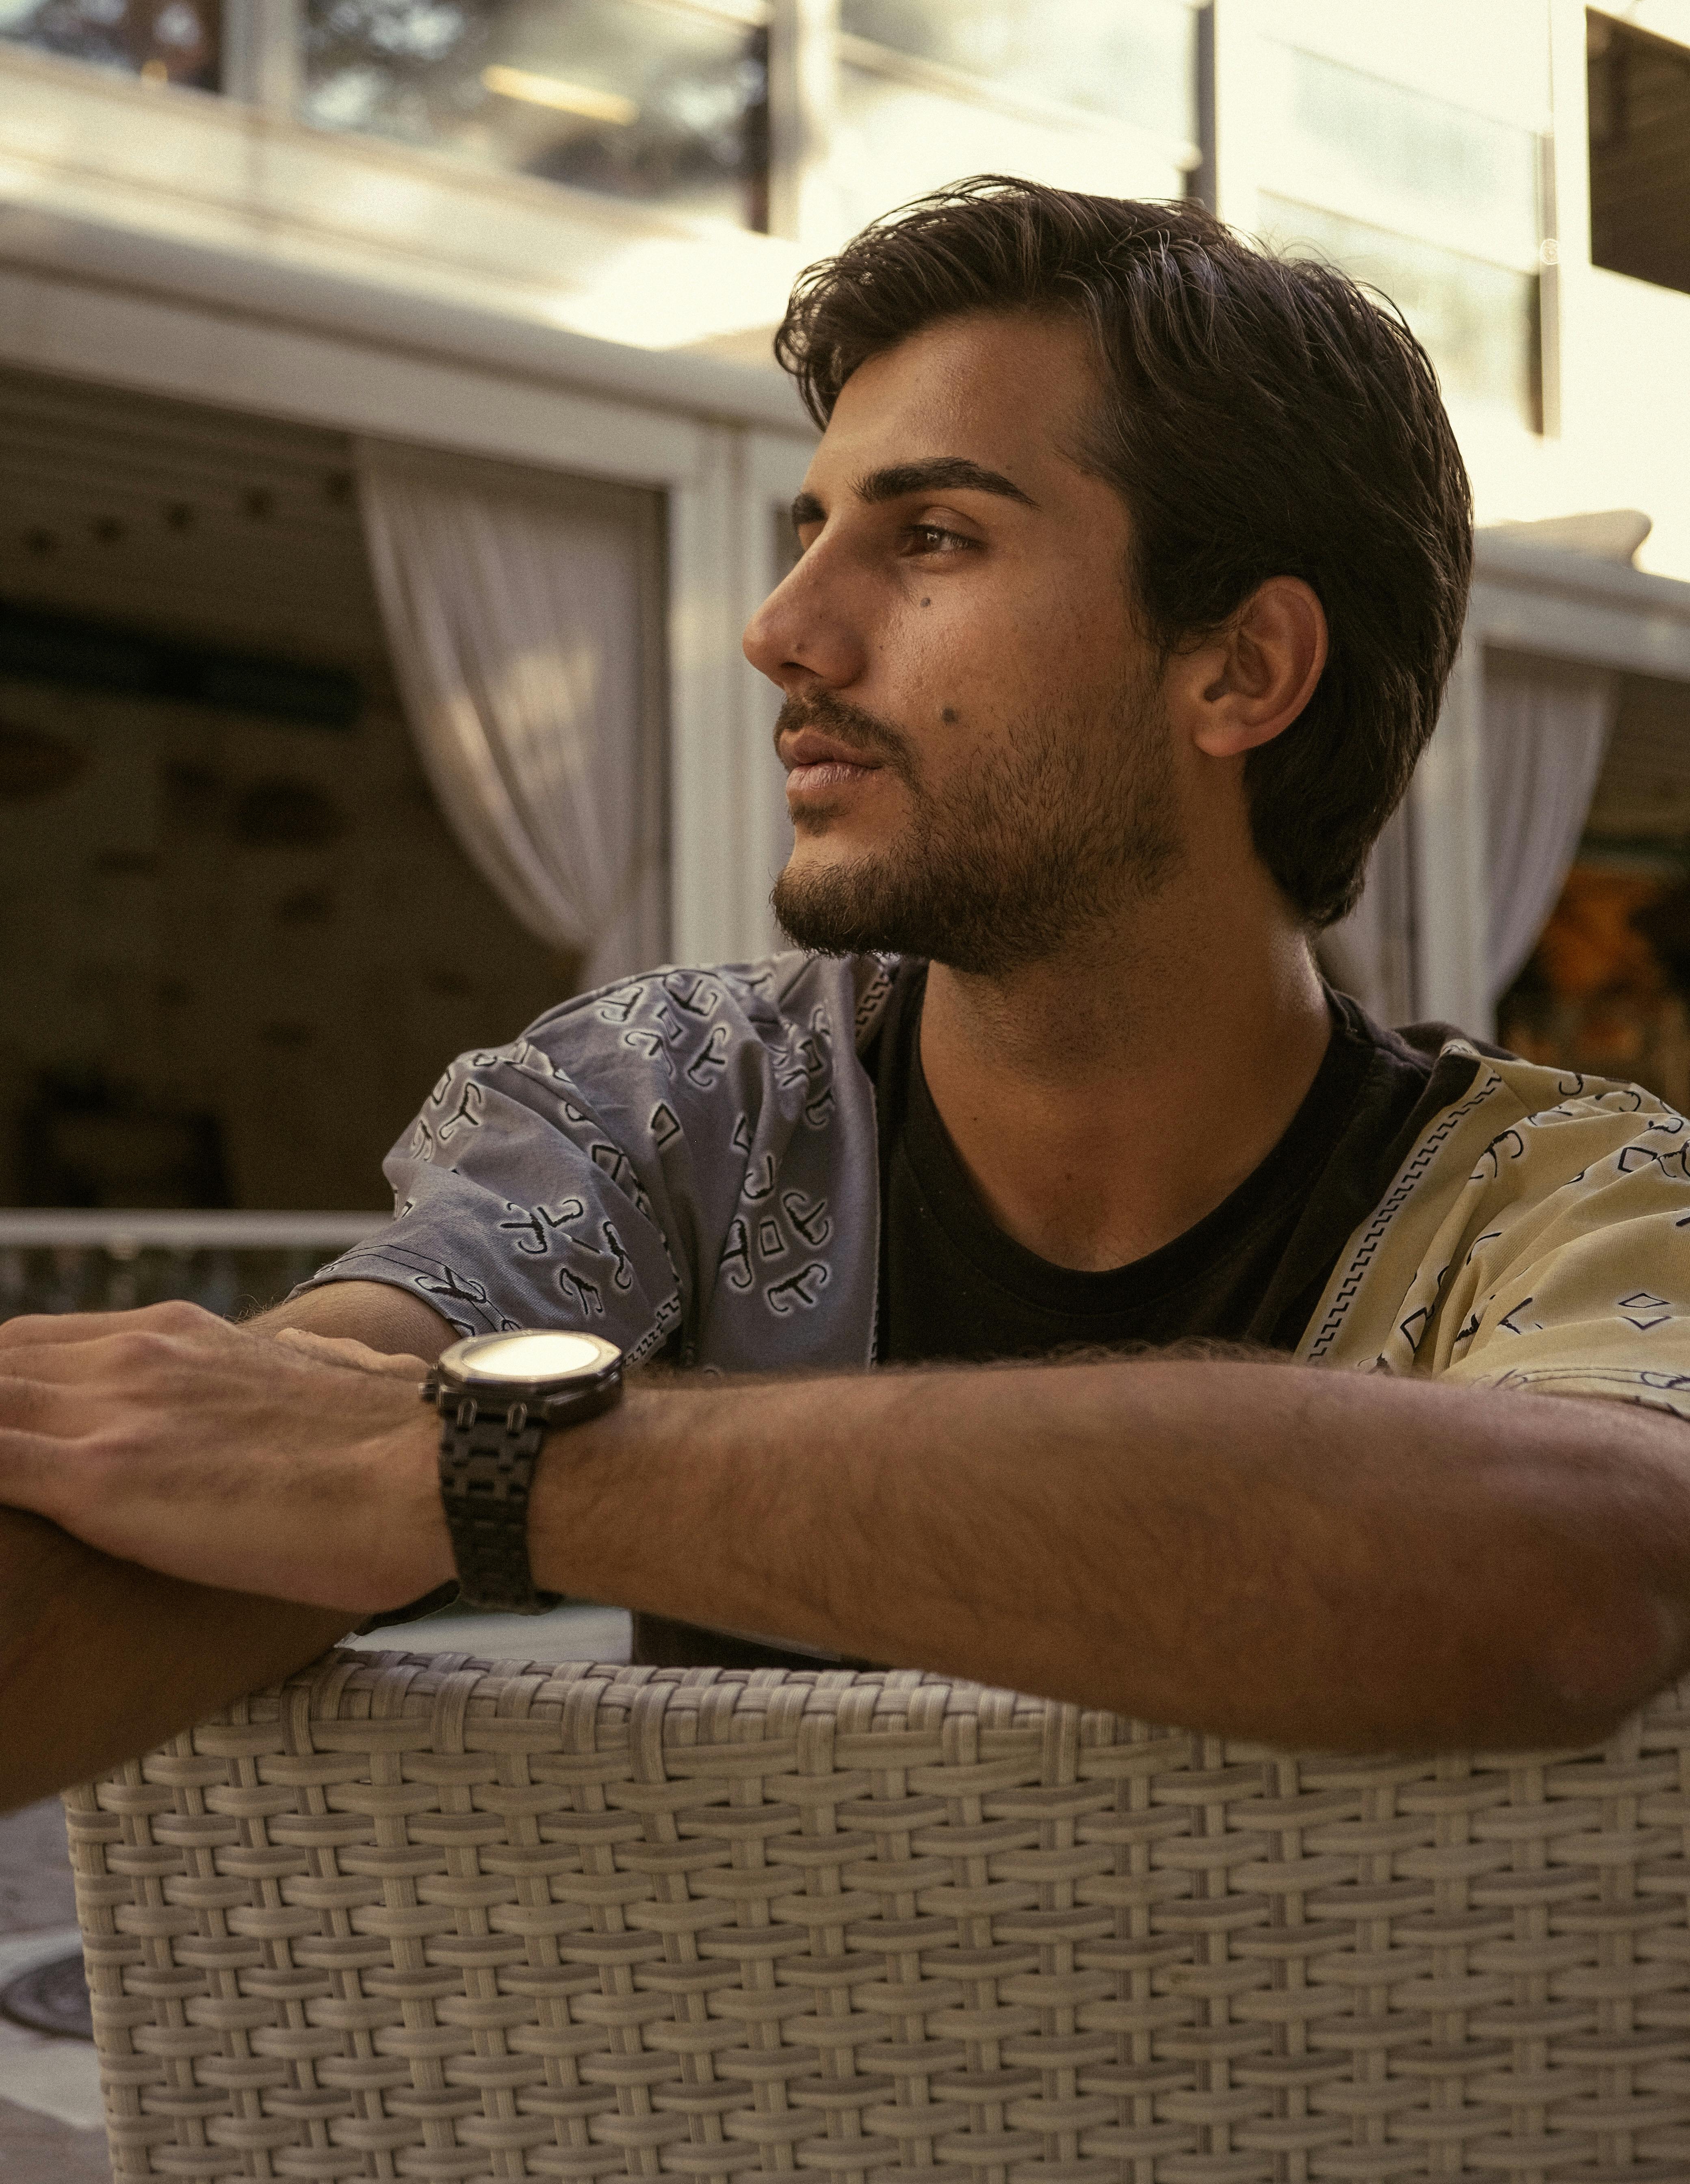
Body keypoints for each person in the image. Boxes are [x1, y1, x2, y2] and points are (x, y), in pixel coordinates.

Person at [6, 179, 1690, 1817]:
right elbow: (241, 1464)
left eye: (933, 535)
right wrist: (334, 1443)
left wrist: (482, 1465)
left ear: (1237, 668)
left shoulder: (1564, 1201)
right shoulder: (665, 1103)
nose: (781, 626)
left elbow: (1582, 1572)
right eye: (813, 531)